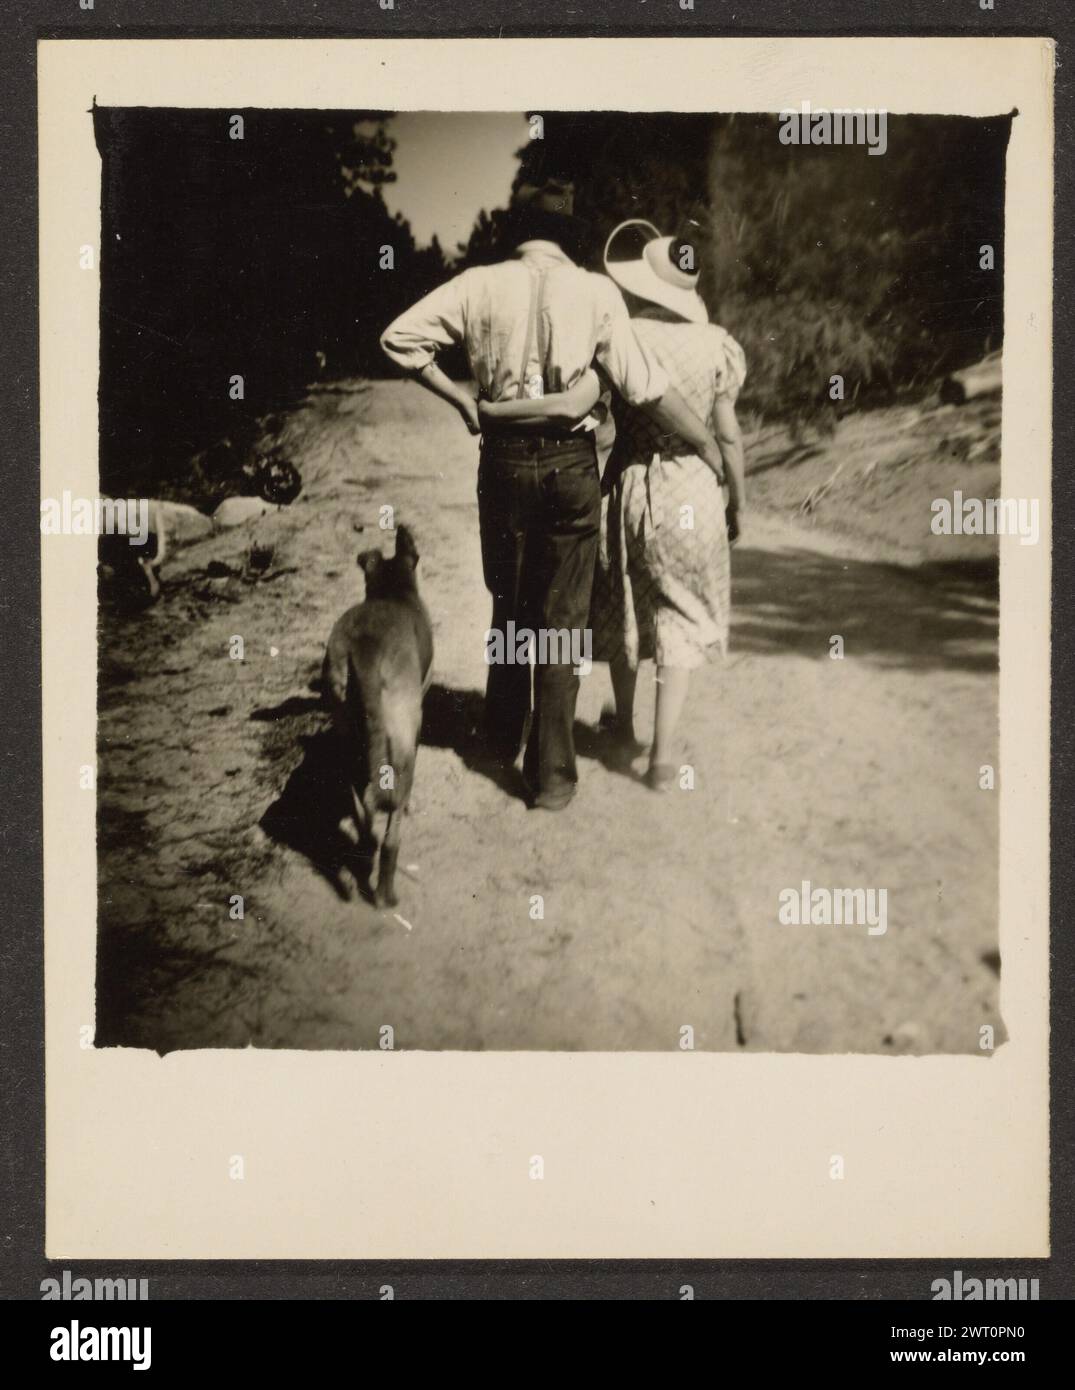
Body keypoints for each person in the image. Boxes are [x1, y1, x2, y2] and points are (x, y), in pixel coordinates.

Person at [380, 179, 728, 811]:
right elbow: (645, 385)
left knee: (510, 601)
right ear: (570, 239)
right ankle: (553, 776)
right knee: (562, 619)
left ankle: (499, 736)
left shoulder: (476, 284)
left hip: (504, 464)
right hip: (571, 465)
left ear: (518, 233)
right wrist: (705, 443)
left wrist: (460, 395)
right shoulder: (596, 292)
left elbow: (398, 339)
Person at [484, 218, 748, 791]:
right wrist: (738, 502)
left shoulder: (624, 334)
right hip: (694, 490)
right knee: (679, 618)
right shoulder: (717, 345)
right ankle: (661, 756)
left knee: (626, 601)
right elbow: (726, 435)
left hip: (628, 484)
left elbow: (594, 412)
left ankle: (624, 724)